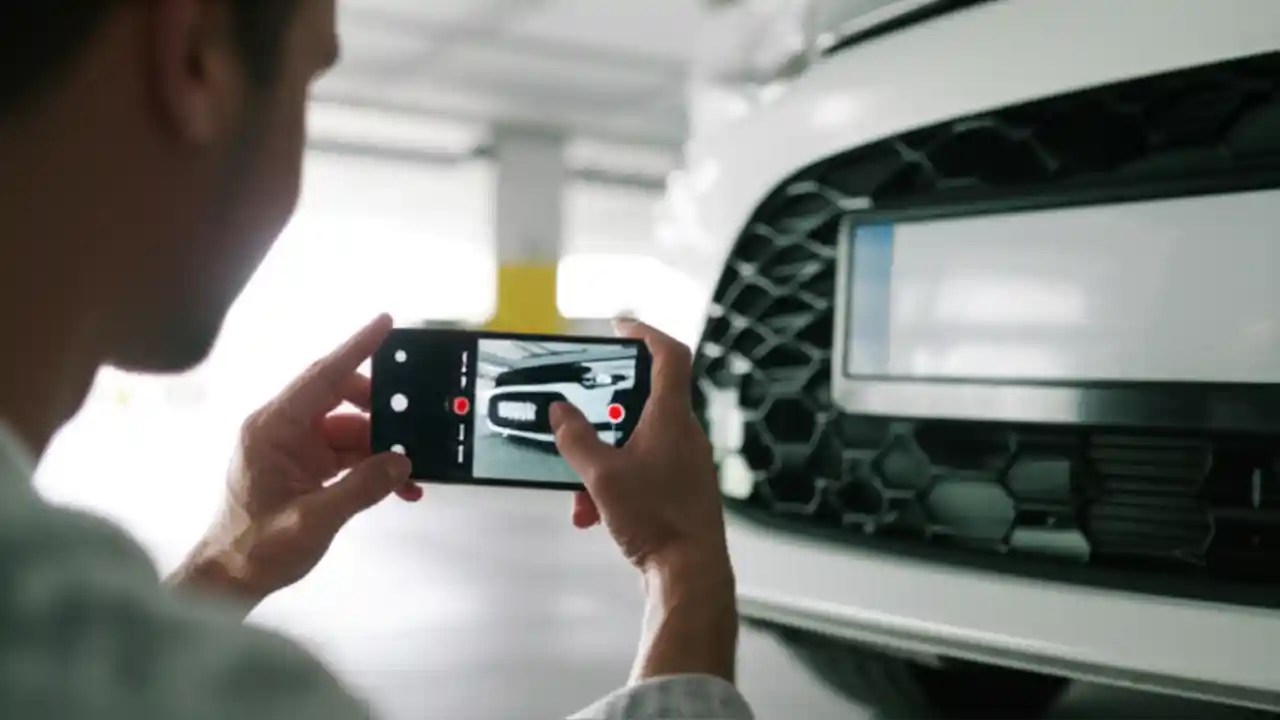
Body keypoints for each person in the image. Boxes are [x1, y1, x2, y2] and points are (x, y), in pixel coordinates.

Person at [0, 2, 755, 719]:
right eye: (308, 79)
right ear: (195, 55)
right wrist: (682, 563)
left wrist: (229, 565)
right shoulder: (240, 698)